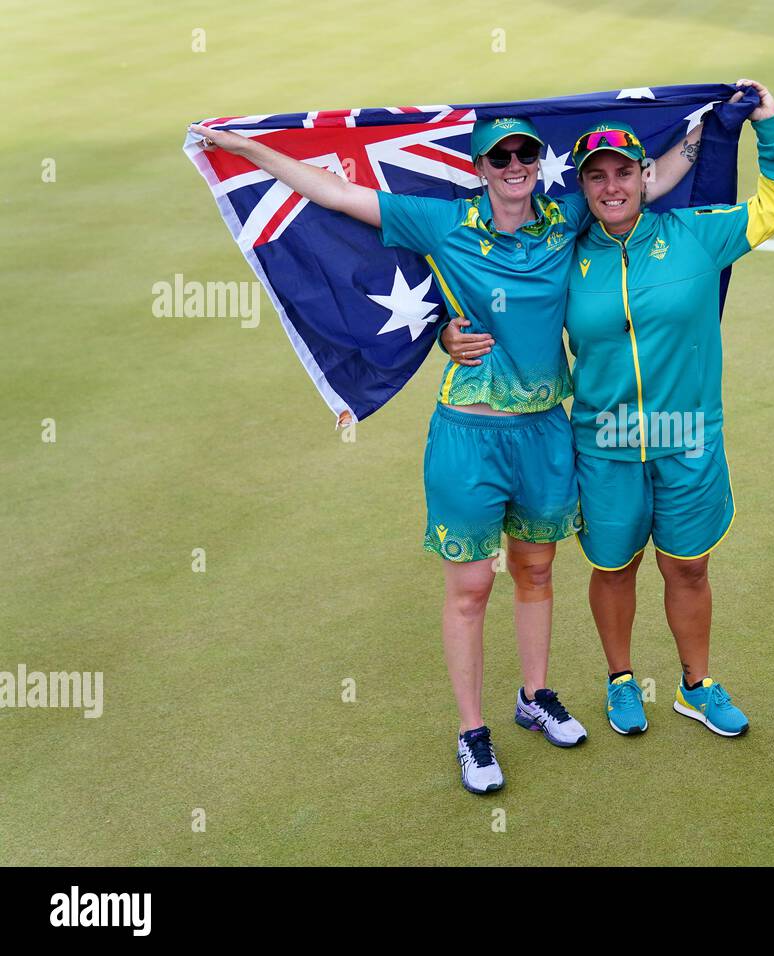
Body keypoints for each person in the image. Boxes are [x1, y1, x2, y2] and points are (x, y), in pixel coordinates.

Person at [188, 110, 703, 793]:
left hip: (547, 431)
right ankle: (471, 732)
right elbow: (335, 194)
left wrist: (707, 122)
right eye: (500, 158)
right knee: (470, 589)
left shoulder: (566, 220)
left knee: (537, 572)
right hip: (467, 436)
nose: (515, 166)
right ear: (480, 168)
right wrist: (247, 148)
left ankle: (535, 696)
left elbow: (653, 179)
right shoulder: (442, 223)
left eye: (524, 155)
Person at [564, 79, 774, 737]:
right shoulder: (563, 255)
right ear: (582, 188)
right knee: (614, 567)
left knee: (688, 565)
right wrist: (449, 333)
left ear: (647, 177)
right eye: (596, 176)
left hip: (689, 436)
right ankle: (619, 682)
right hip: (604, 441)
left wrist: (769, 127)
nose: (611, 187)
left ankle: (696, 686)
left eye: (623, 172)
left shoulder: (697, 235)